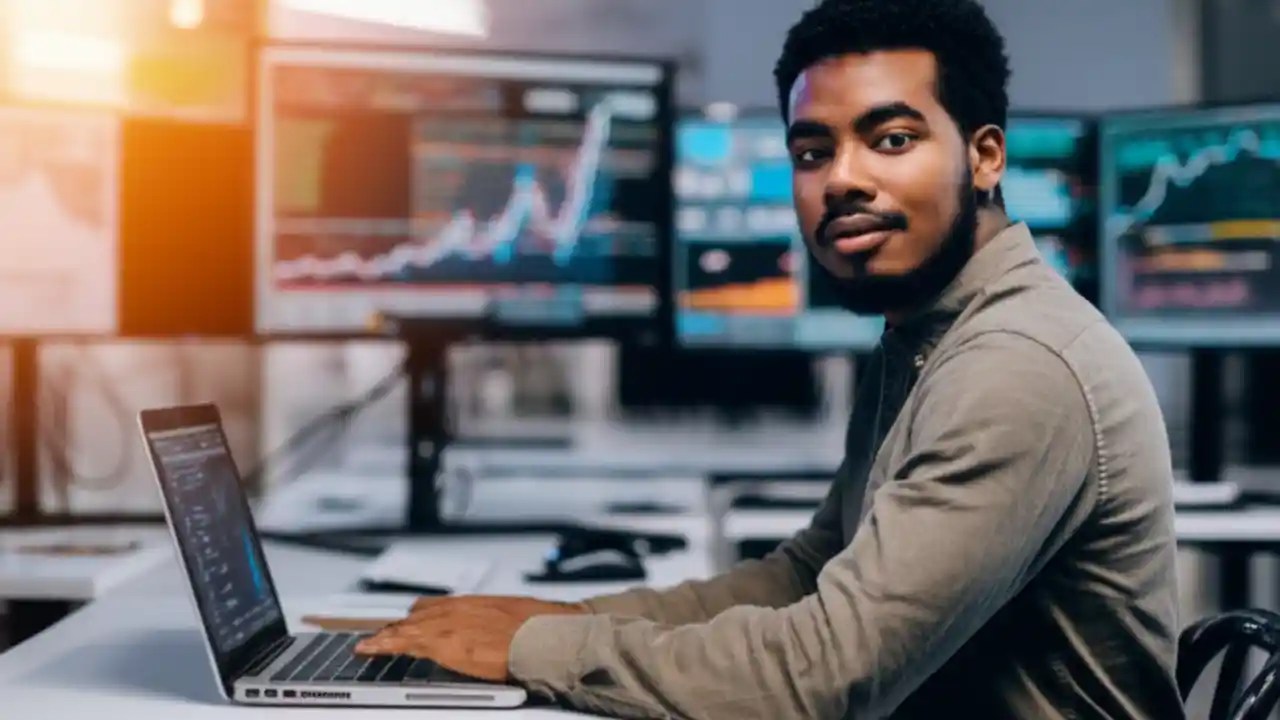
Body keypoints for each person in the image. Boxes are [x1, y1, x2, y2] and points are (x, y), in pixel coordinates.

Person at [356, 0, 1185, 717]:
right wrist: (560, 619)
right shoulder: (928, 335)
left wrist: (544, 649)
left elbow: (822, 678)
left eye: (890, 139)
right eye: (813, 152)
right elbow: (807, 575)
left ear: (986, 157)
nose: (843, 180)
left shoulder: (1013, 367)